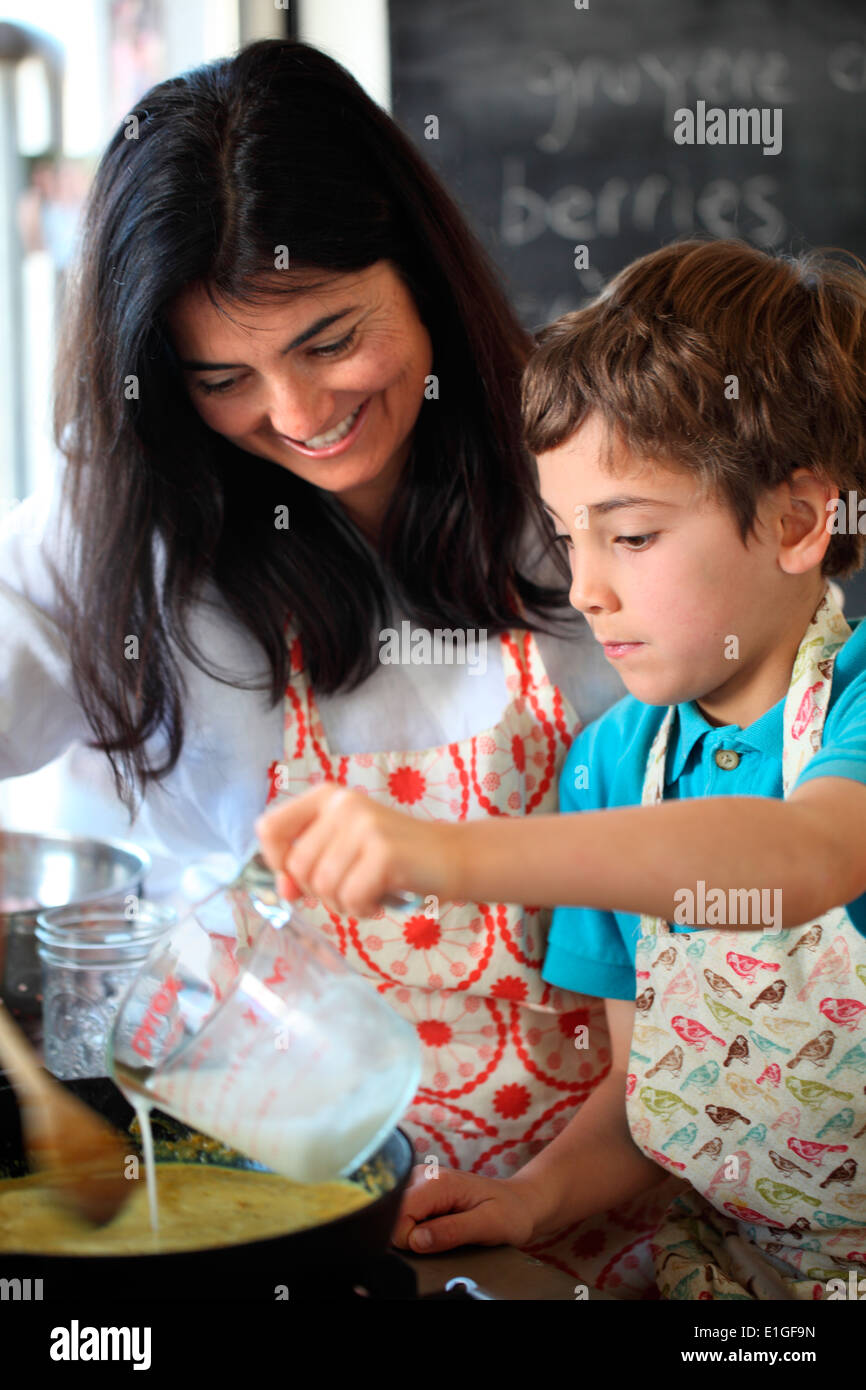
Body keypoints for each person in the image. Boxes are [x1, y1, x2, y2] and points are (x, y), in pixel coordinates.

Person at [0, 39, 642, 1277]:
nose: (295, 416)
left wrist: (559, 1193)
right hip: (283, 1212)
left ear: (421, 272)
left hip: (603, 1197)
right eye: (223, 378)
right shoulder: (119, 522)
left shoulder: (587, 462)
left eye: (329, 339)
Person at [256, 237, 866, 1300]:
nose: (583, 589)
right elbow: (646, 1091)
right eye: (562, 535)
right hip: (725, 1279)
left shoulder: (853, 707)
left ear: (797, 520)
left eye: (627, 537)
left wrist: (449, 852)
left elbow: (800, 856)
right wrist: (533, 1195)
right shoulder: (611, 766)